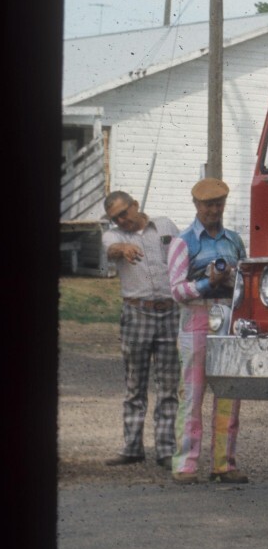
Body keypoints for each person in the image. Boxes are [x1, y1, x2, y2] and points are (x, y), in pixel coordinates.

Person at [168, 177, 248, 483]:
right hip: (195, 318)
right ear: (196, 205)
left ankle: (224, 464)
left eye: (219, 204)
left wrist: (231, 281)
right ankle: (185, 466)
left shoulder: (234, 241)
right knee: (192, 393)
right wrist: (206, 282)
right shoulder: (183, 242)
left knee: (230, 393)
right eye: (208, 205)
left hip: (229, 318)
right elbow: (176, 290)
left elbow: (246, 277)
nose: (214, 210)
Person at [101, 191, 181, 468]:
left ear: (135, 205)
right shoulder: (114, 236)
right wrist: (123, 250)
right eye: (115, 218)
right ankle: (132, 447)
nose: (122, 220)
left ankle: (166, 450)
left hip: (171, 313)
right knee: (135, 385)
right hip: (136, 314)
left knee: (169, 386)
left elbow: (184, 254)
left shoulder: (165, 226)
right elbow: (111, 250)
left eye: (124, 212)